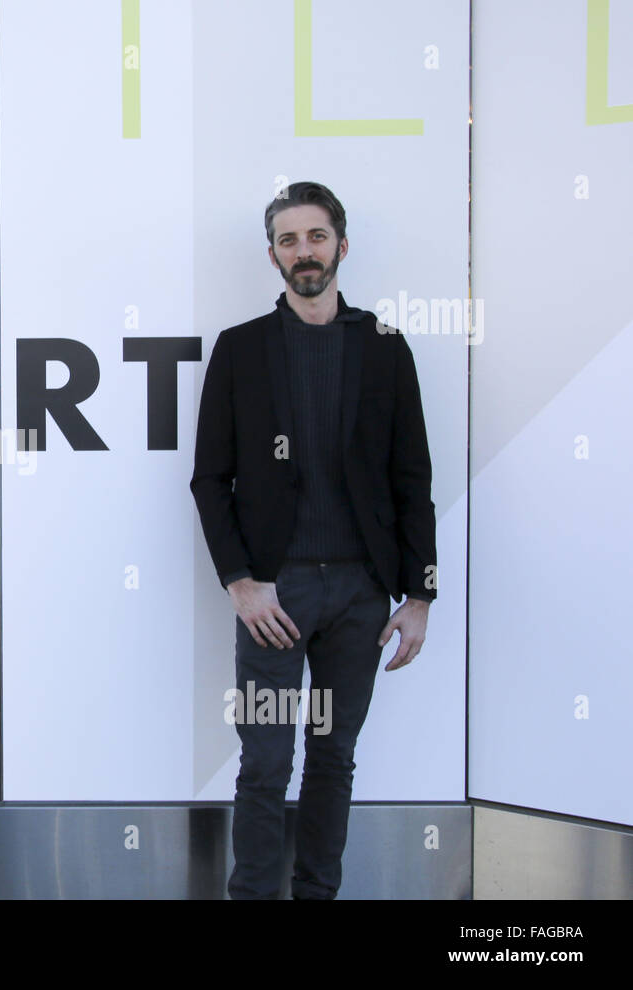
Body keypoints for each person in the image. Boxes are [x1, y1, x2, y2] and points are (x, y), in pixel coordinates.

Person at [190, 181, 436, 900]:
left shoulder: (387, 349)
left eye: (317, 237)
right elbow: (211, 480)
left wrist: (420, 593)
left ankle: (317, 894)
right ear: (273, 256)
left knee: (334, 759)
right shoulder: (241, 351)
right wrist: (241, 583)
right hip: (276, 594)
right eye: (290, 240)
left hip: (361, 595)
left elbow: (412, 478)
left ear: (341, 246)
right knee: (264, 762)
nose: (305, 252)